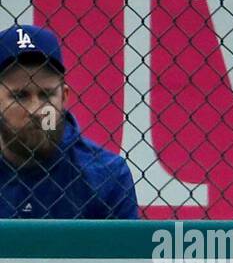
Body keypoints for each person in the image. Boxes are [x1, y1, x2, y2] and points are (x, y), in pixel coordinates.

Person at [0, 24, 139, 218]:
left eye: (46, 95)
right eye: (20, 96)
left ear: (64, 97)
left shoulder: (107, 176)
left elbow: (124, 248)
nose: (36, 111)